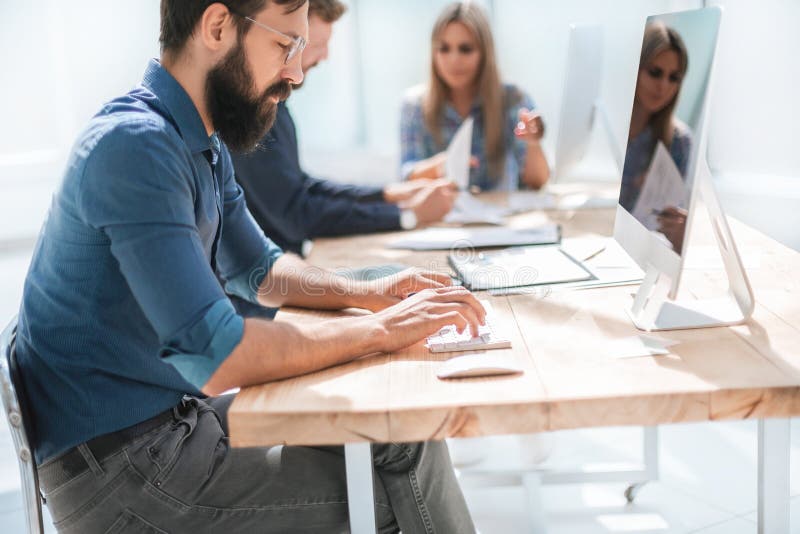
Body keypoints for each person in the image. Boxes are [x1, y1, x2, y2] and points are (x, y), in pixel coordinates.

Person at [15, 1, 480, 532]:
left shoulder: (198, 140)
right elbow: (219, 354)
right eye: (285, 45)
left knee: (404, 435)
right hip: (124, 476)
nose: (297, 72)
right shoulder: (135, 149)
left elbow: (260, 269)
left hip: (169, 428)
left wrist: (372, 291)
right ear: (217, 27)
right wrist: (378, 331)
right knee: (395, 494)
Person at [232, 0, 456, 257]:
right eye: (310, 45)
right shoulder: (253, 110)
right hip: (272, 282)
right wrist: (406, 215)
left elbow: (301, 186)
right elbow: (296, 212)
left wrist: (389, 195)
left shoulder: (275, 105)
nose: (325, 56)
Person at [400, 2, 550, 192]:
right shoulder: (414, 105)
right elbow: (406, 177)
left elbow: (537, 181)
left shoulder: (513, 98)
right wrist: (443, 164)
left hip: (501, 214)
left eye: (465, 49)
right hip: (445, 216)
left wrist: (533, 142)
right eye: (444, 48)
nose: (454, 59)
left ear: (485, 53)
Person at [620, 22, 692, 251]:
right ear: (635, 67)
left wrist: (682, 234)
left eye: (674, 78)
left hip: (639, 253)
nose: (663, 86)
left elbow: (667, 225)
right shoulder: (608, 124)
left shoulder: (678, 141)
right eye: (655, 72)